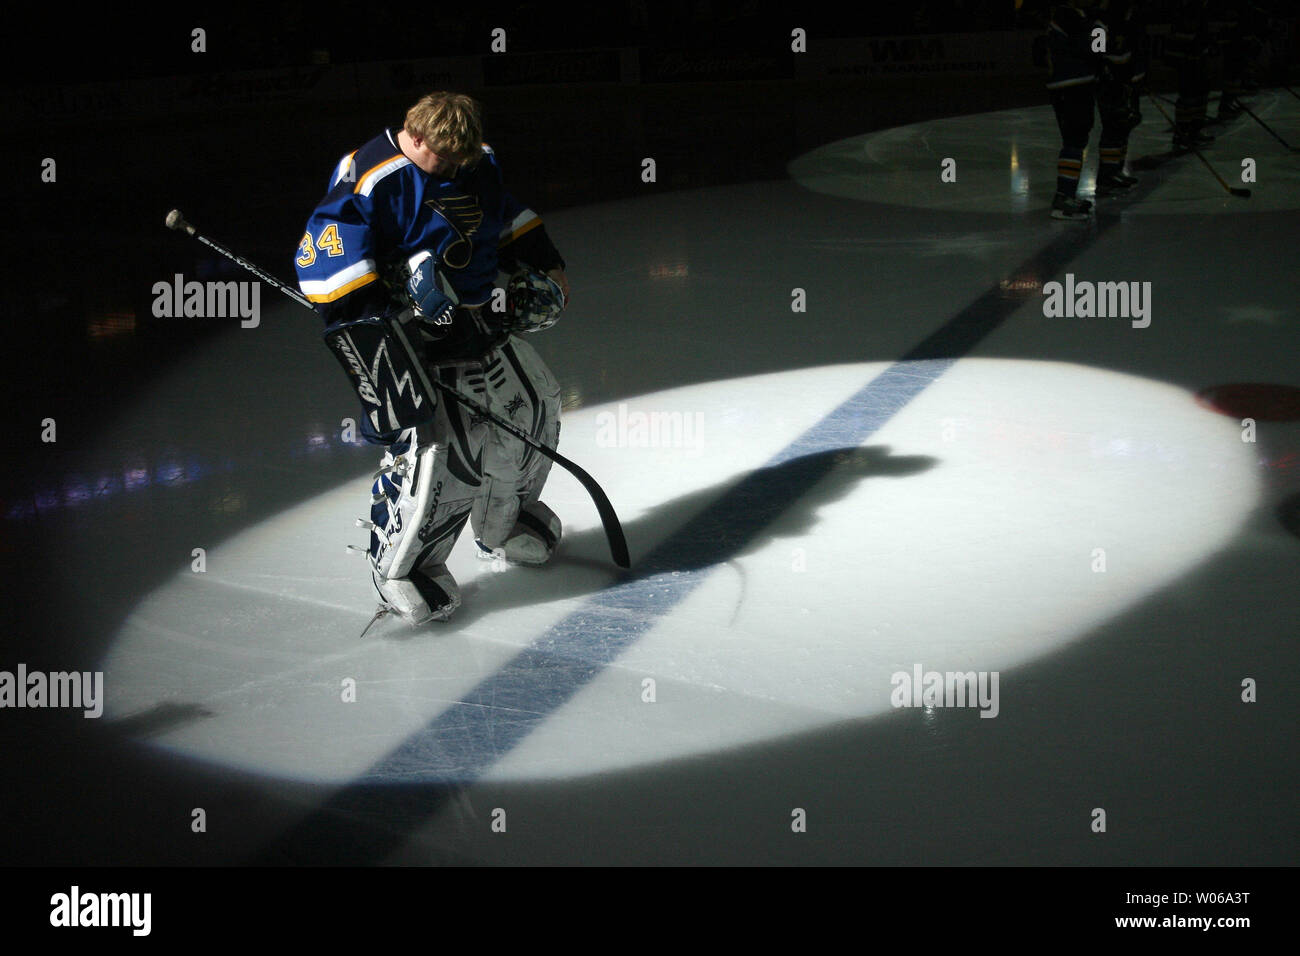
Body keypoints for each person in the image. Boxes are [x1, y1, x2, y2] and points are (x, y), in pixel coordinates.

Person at [294, 91, 570, 627]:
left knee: (533, 410)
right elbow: (324, 258)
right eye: (441, 160)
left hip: (478, 320)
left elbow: (502, 215)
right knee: (448, 455)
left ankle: (503, 523)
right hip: (416, 336)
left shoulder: (476, 160)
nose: (451, 170)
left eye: (460, 161)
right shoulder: (370, 175)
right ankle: (405, 566)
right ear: (413, 135)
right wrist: (393, 297)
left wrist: (544, 268)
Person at [1044, 0, 1102, 219]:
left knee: (1076, 139)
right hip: (1072, 85)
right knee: (1075, 139)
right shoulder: (1071, 17)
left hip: (1070, 85)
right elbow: (1096, 48)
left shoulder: (1069, 16)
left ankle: (1066, 195)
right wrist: (1101, 24)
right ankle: (1063, 198)